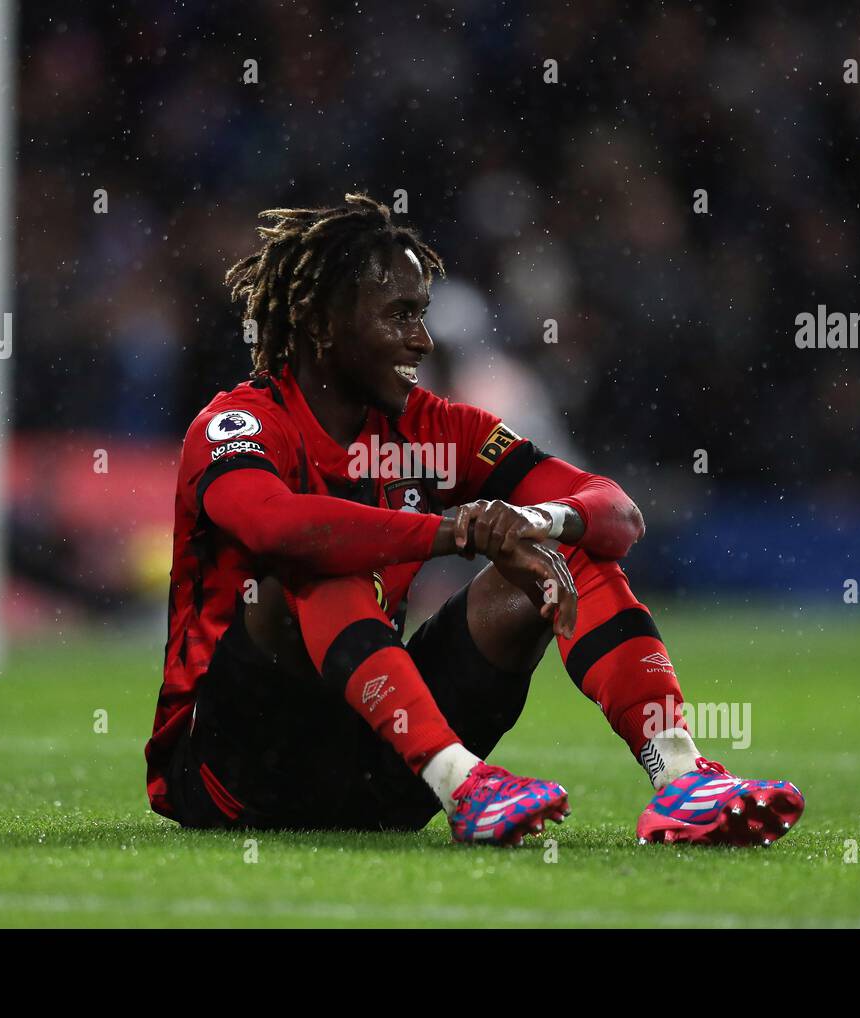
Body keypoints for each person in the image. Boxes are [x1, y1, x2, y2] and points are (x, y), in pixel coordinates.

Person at [145, 194, 804, 846]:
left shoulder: (432, 426)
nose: (422, 339)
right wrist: (456, 530)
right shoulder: (240, 425)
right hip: (230, 775)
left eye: (422, 315)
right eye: (399, 316)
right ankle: (465, 785)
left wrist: (536, 521)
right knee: (307, 566)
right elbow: (276, 527)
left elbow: (614, 513)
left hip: (374, 774)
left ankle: (683, 781)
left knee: (559, 548)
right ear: (322, 323)